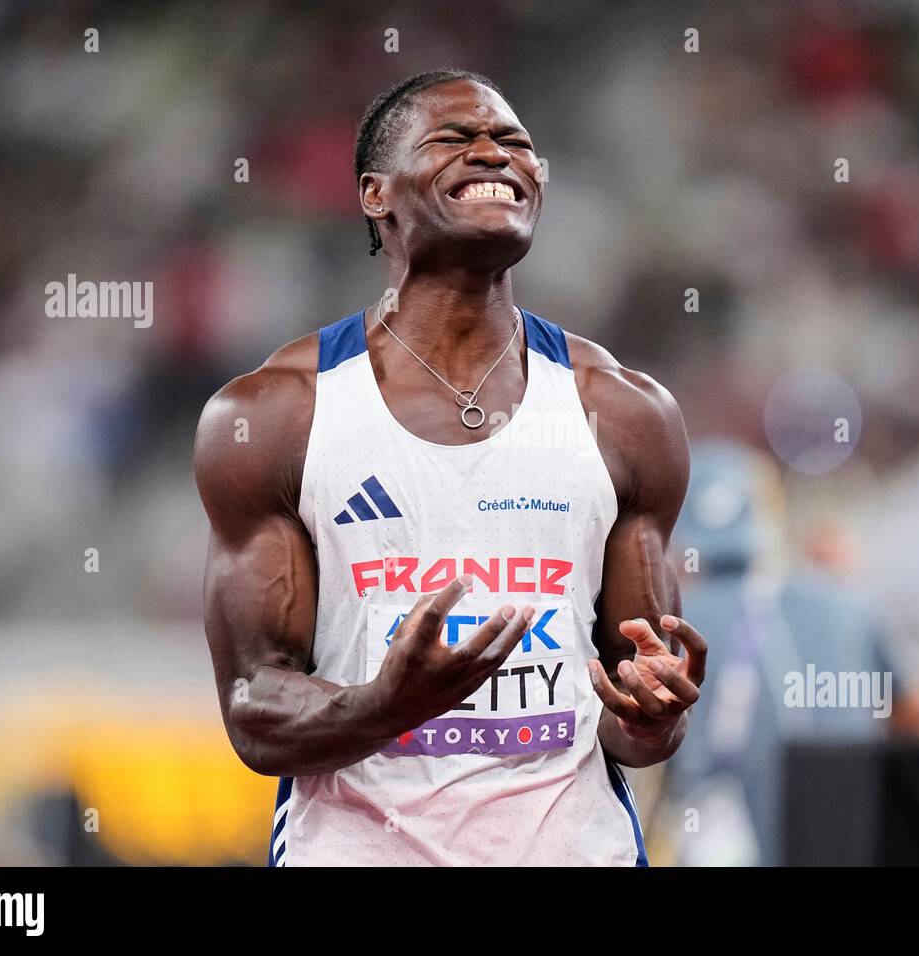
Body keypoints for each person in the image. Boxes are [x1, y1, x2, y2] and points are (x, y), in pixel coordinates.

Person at [193, 70, 707, 866]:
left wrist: (652, 717)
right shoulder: (271, 415)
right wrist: (386, 705)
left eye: (514, 144)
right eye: (453, 140)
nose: (493, 155)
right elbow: (254, 711)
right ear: (375, 194)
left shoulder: (629, 414)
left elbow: (635, 717)